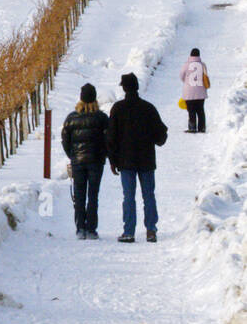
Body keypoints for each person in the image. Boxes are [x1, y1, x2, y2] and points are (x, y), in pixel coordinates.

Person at [106, 72, 168, 243]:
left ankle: (129, 231)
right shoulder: (148, 108)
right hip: (146, 160)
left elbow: (111, 137)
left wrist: (112, 160)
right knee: (148, 195)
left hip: (126, 161)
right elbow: (161, 135)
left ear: (124, 88)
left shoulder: (117, 109)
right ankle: (151, 230)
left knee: (128, 197)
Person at [60, 83, 108, 239]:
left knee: (79, 195)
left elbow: (65, 140)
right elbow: (108, 139)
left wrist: (72, 155)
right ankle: (92, 229)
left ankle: (80, 228)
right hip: (96, 161)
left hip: (78, 162)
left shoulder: (71, 119)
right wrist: (103, 155)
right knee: (93, 195)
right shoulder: (101, 118)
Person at [179, 48, 209, 133]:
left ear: (190, 55)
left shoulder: (186, 65)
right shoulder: (203, 65)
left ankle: (192, 128)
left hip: (189, 92)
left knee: (191, 110)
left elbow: (181, 76)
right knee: (200, 110)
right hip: (201, 91)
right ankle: (202, 128)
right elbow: (205, 76)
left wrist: (187, 82)